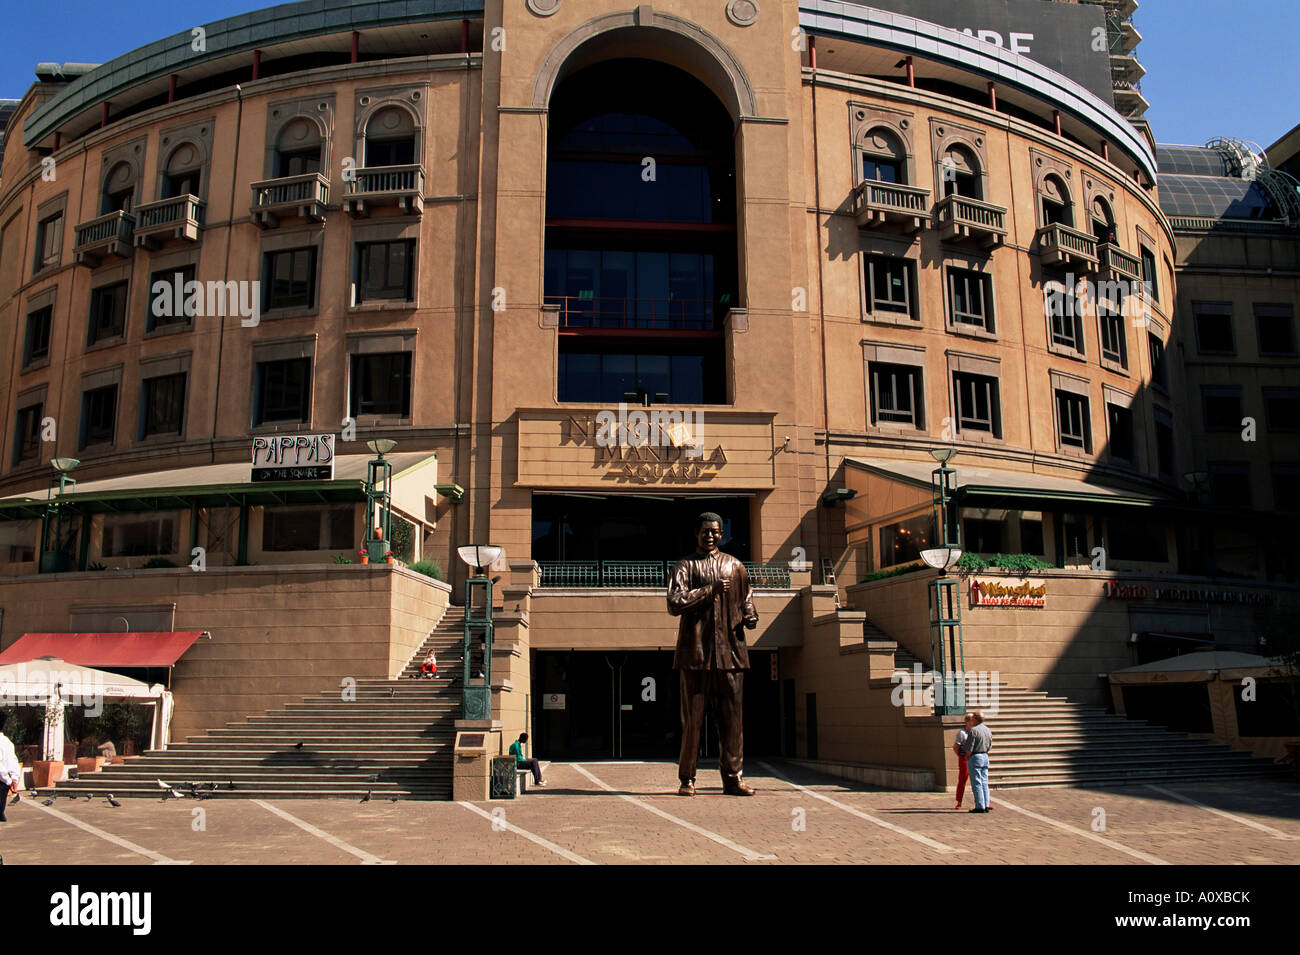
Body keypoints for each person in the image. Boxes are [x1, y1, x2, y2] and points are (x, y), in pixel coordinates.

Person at [669, 511, 759, 797]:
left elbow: (746, 597)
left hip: (730, 653)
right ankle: (687, 778)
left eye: (715, 531)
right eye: (705, 531)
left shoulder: (735, 566)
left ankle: (733, 778)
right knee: (693, 722)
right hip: (695, 654)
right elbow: (674, 602)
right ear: (696, 533)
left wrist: (750, 614)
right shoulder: (685, 565)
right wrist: (710, 590)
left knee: (733, 722)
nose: (710, 535)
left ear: (722, 534)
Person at [960, 710, 993, 813]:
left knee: (977, 782)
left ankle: (980, 805)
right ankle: (986, 804)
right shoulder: (988, 730)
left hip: (976, 756)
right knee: (984, 781)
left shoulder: (974, 731)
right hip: (985, 755)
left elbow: (969, 747)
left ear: (975, 719)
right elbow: (990, 746)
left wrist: (967, 756)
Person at [0, 721, 20, 822]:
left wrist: (8, 780)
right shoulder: (7, 742)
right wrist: (14, 779)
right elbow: (13, 761)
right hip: (4, 782)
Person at [952, 714, 973, 810]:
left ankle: (982, 801)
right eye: (971, 721)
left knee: (978, 780)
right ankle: (959, 801)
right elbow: (956, 747)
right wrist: (960, 756)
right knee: (962, 779)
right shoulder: (962, 733)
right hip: (964, 758)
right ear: (967, 722)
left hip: (974, 757)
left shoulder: (975, 731)